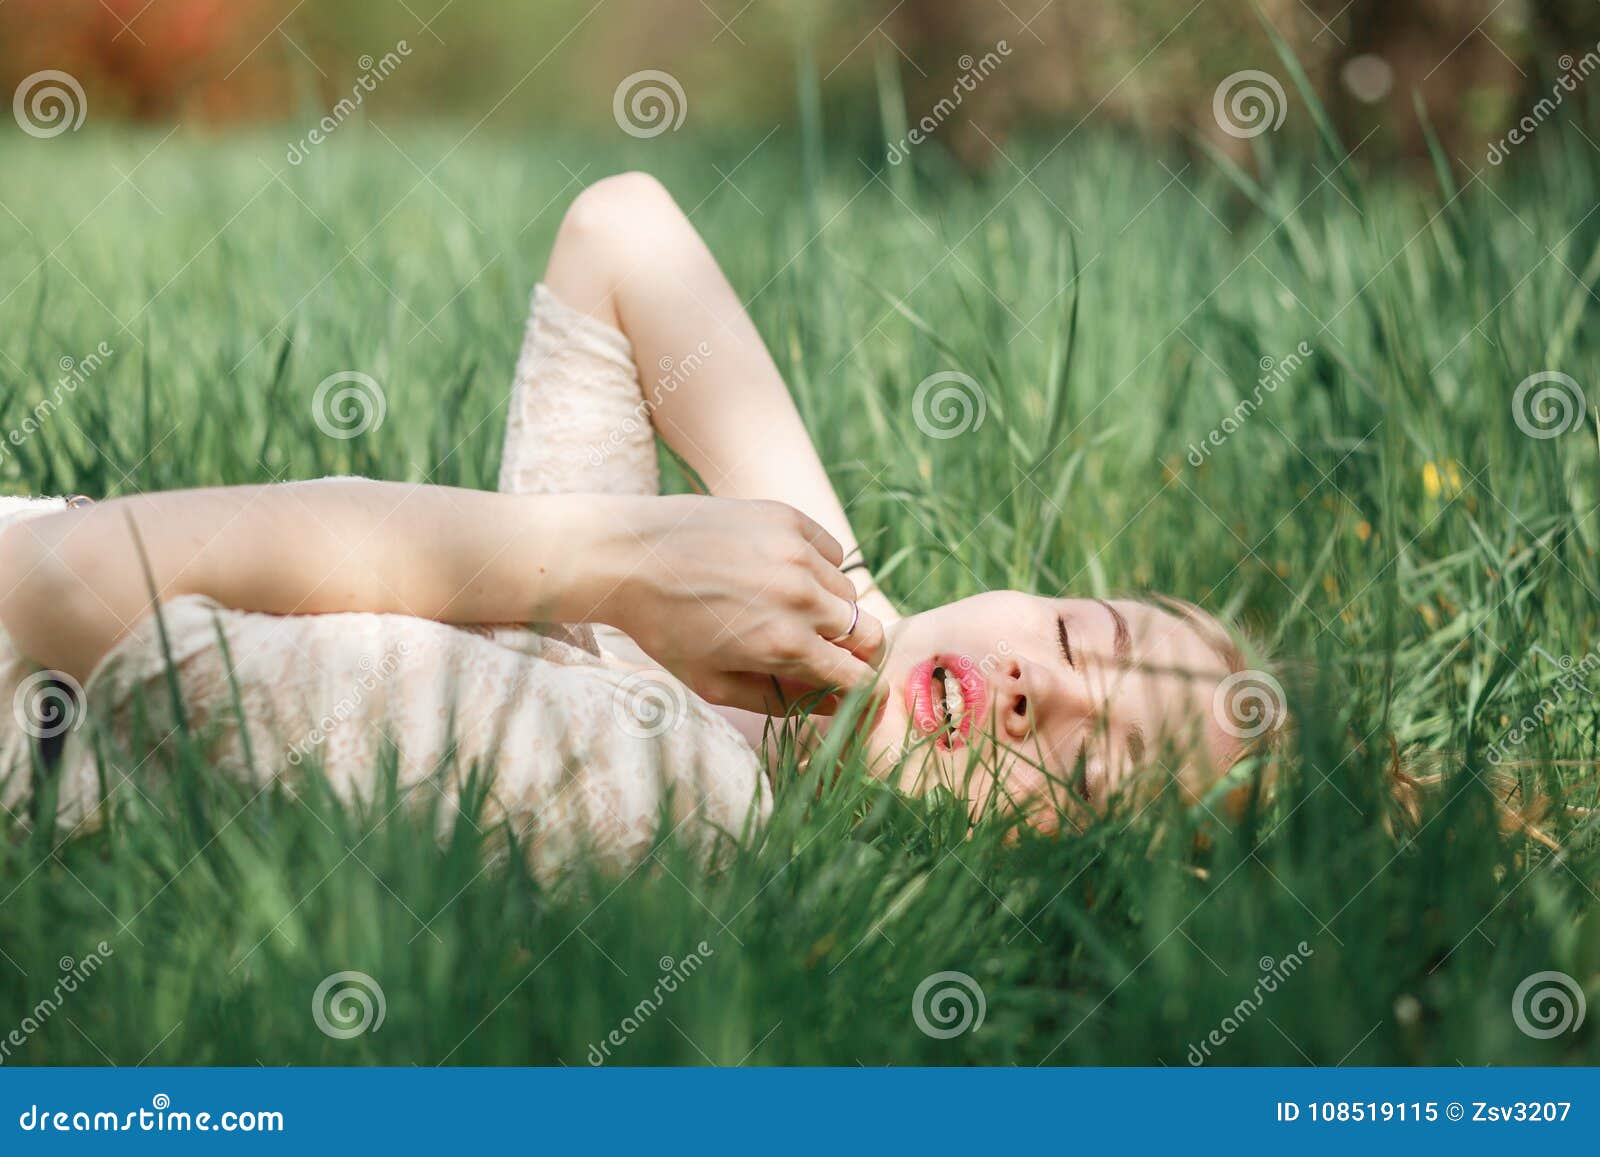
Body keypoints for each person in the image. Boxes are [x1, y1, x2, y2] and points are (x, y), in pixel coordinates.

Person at [0, 173, 1266, 875]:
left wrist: (621, 561)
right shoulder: (728, 696)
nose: (1045, 690)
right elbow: (624, 232)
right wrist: (830, 584)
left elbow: (60, 579)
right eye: (1079, 628)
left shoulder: (664, 795)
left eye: (1097, 777)